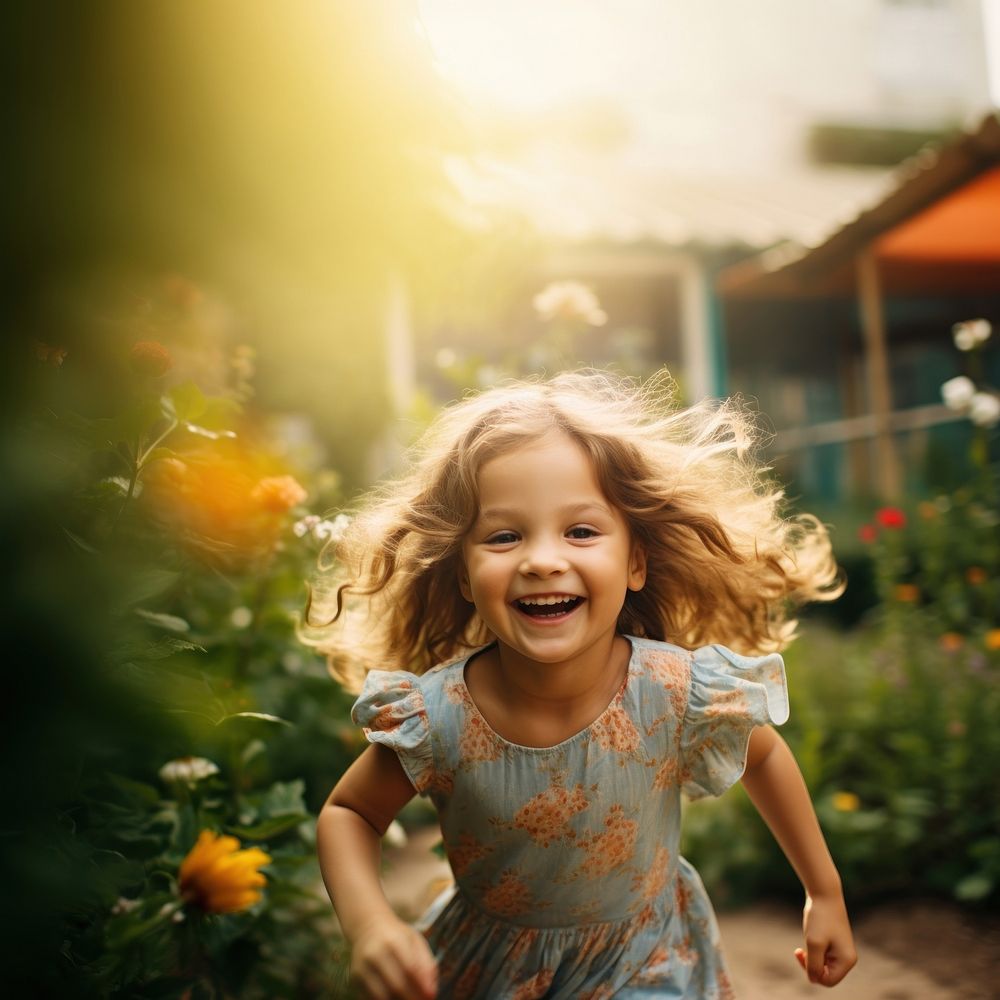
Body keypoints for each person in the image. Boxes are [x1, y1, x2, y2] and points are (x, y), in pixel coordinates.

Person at [309, 370, 857, 999]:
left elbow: (765, 756)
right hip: (490, 974)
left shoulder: (675, 691)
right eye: (505, 535)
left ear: (635, 562)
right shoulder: (438, 718)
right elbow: (349, 814)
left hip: (646, 962)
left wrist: (823, 891)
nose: (543, 559)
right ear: (463, 575)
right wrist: (371, 925)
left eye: (581, 531)